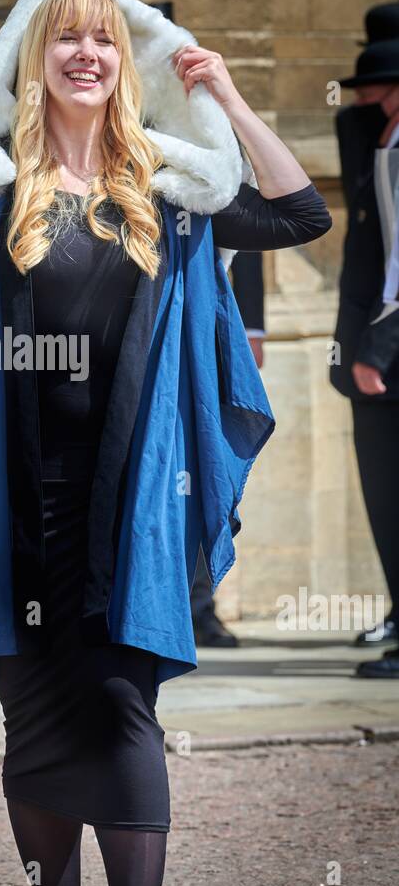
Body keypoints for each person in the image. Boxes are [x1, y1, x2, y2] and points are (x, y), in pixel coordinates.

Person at [0, 0, 331, 886]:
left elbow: (299, 213)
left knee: (123, 704)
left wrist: (228, 101)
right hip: (12, 497)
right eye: (62, 38)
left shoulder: (167, 186)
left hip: (131, 496)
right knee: (31, 718)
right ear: (32, 60)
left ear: (128, 64)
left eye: (103, 41)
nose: (83, 54)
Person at [331, 25, 399, 679]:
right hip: (377, 342)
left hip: (389, 349)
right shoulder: (378, 138)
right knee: (383, 495)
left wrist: (374, 349)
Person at [189, 251, 266, 647]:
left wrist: (251, 327)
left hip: (203, 323)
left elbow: (243, 211)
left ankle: (198, 607)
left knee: (202, 469)